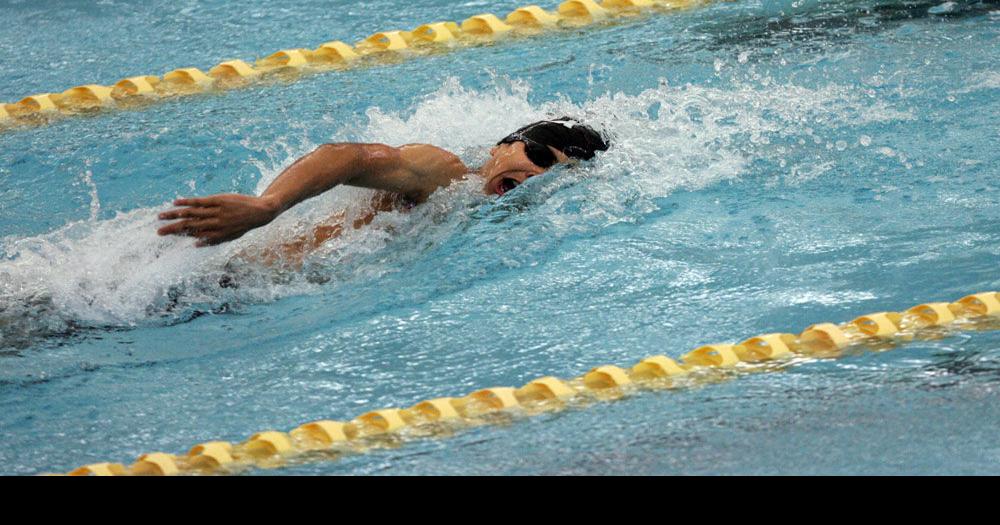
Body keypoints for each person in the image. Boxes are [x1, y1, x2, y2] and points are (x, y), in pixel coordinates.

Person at [157, 117, 609, 260]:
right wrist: (267, 205)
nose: (538, 177)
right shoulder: (445, 176)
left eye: (554, 175)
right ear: (503, 146)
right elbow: (347, 156)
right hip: (232, 279)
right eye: (541, 158)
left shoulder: (495, 217)